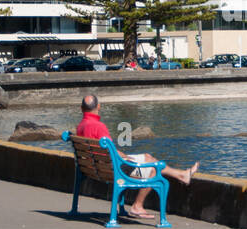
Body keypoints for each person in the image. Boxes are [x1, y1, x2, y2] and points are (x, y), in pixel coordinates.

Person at [74, 93, 197, 221]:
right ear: (98, 106)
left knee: (148, 157)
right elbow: (111, 152)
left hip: (96, 168)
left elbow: (106, 150)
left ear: (81, 108)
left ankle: (182, 175)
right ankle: (137, 206)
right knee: (154, 167)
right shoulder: (98, 126)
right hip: (112, 170)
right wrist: (125, 158)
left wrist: (124, 156)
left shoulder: (81, 126)